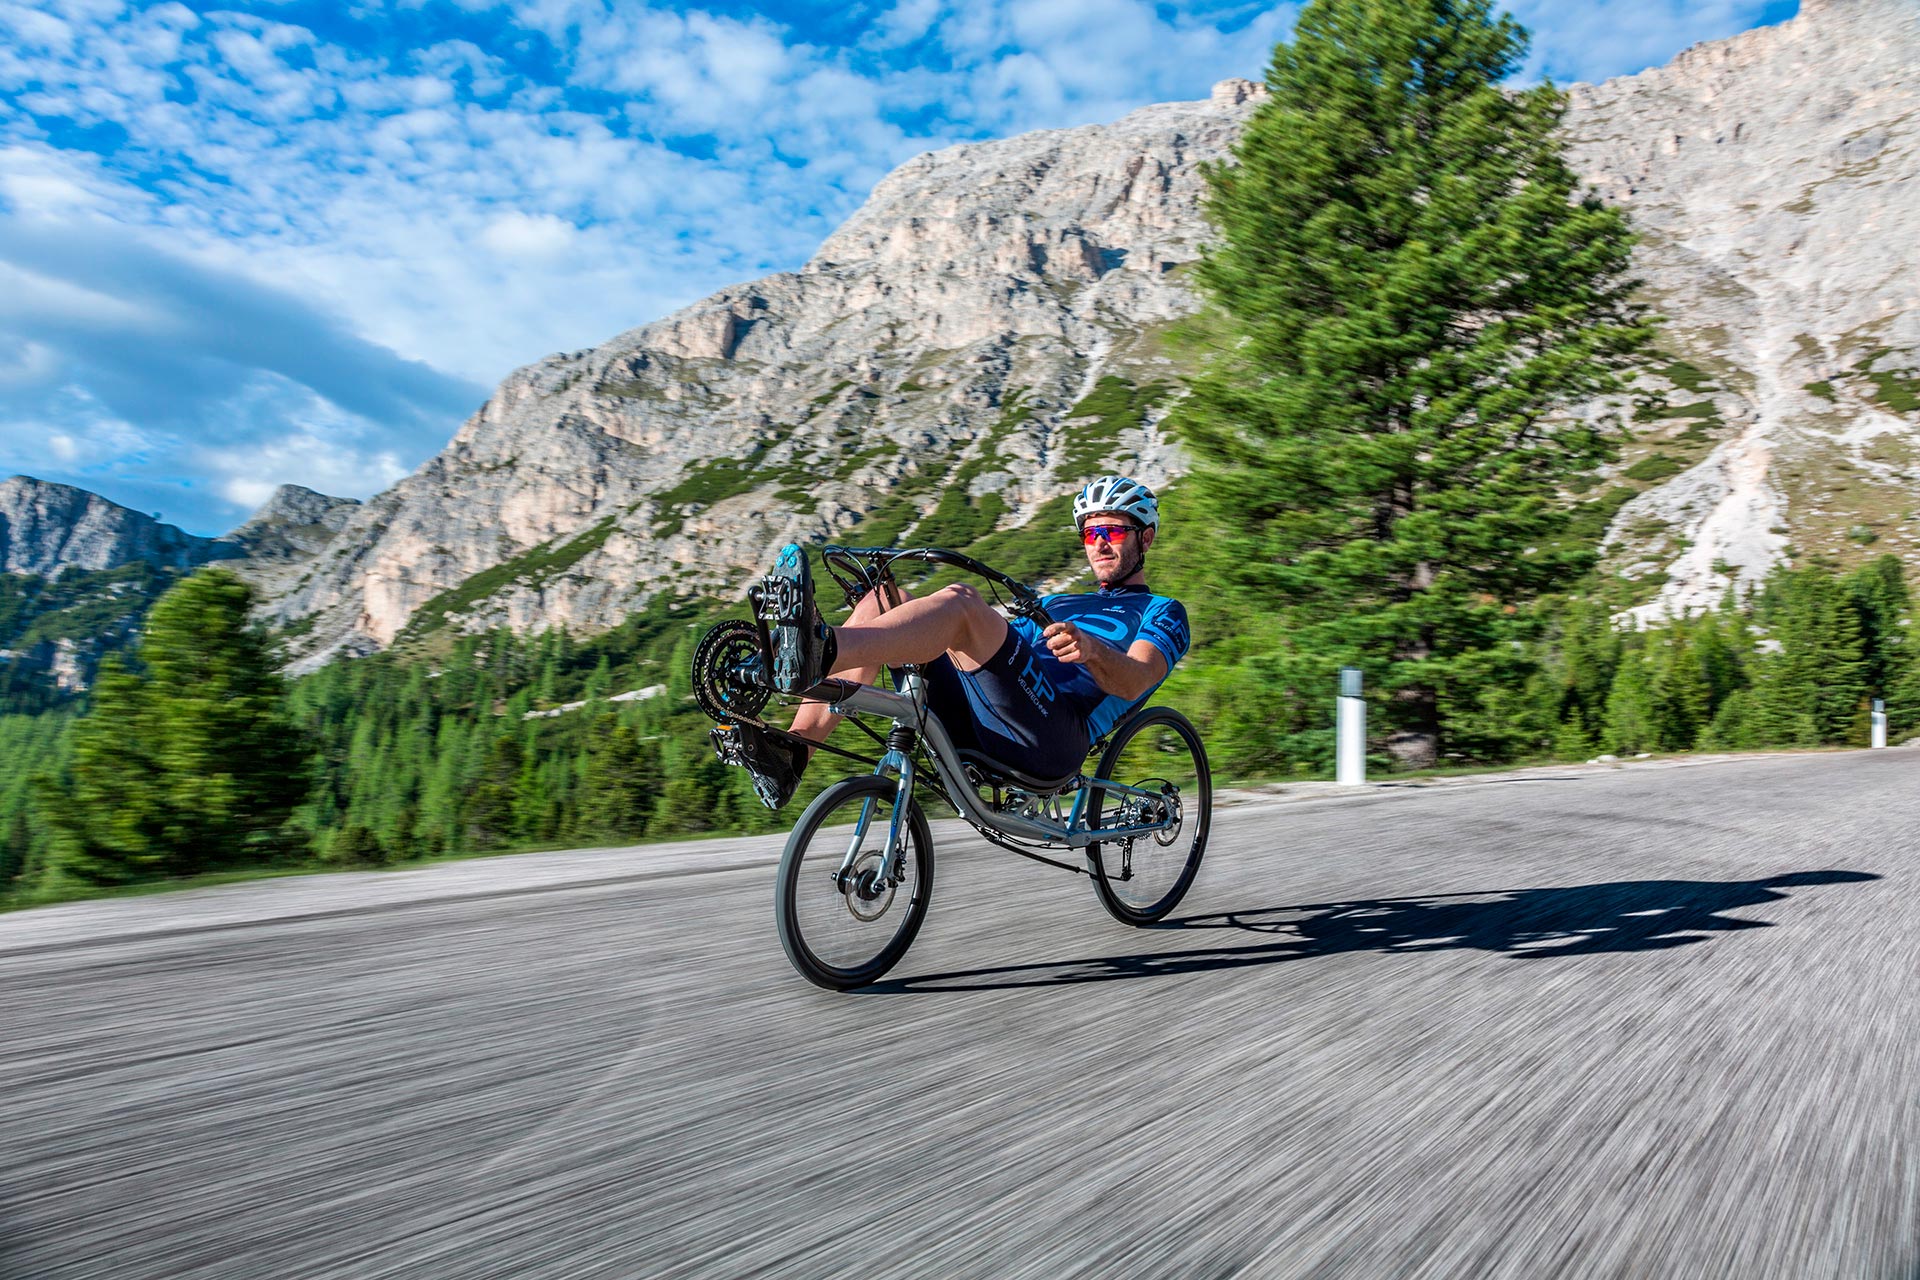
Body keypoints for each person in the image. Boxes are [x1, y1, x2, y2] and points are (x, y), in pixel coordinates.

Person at [714, 475, 1191, 810]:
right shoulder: (1057, 600)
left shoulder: (1160, 611)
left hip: (1053, 737)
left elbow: (1138, 680)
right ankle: (792, 755)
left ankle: (818, 649)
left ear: (1145, 538)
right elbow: (993, 649)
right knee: (883, 597)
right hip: (987, 713)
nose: (1099, 543)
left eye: (1111, 531)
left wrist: (1090, 649)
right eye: (1090, 533)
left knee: (963, 605)